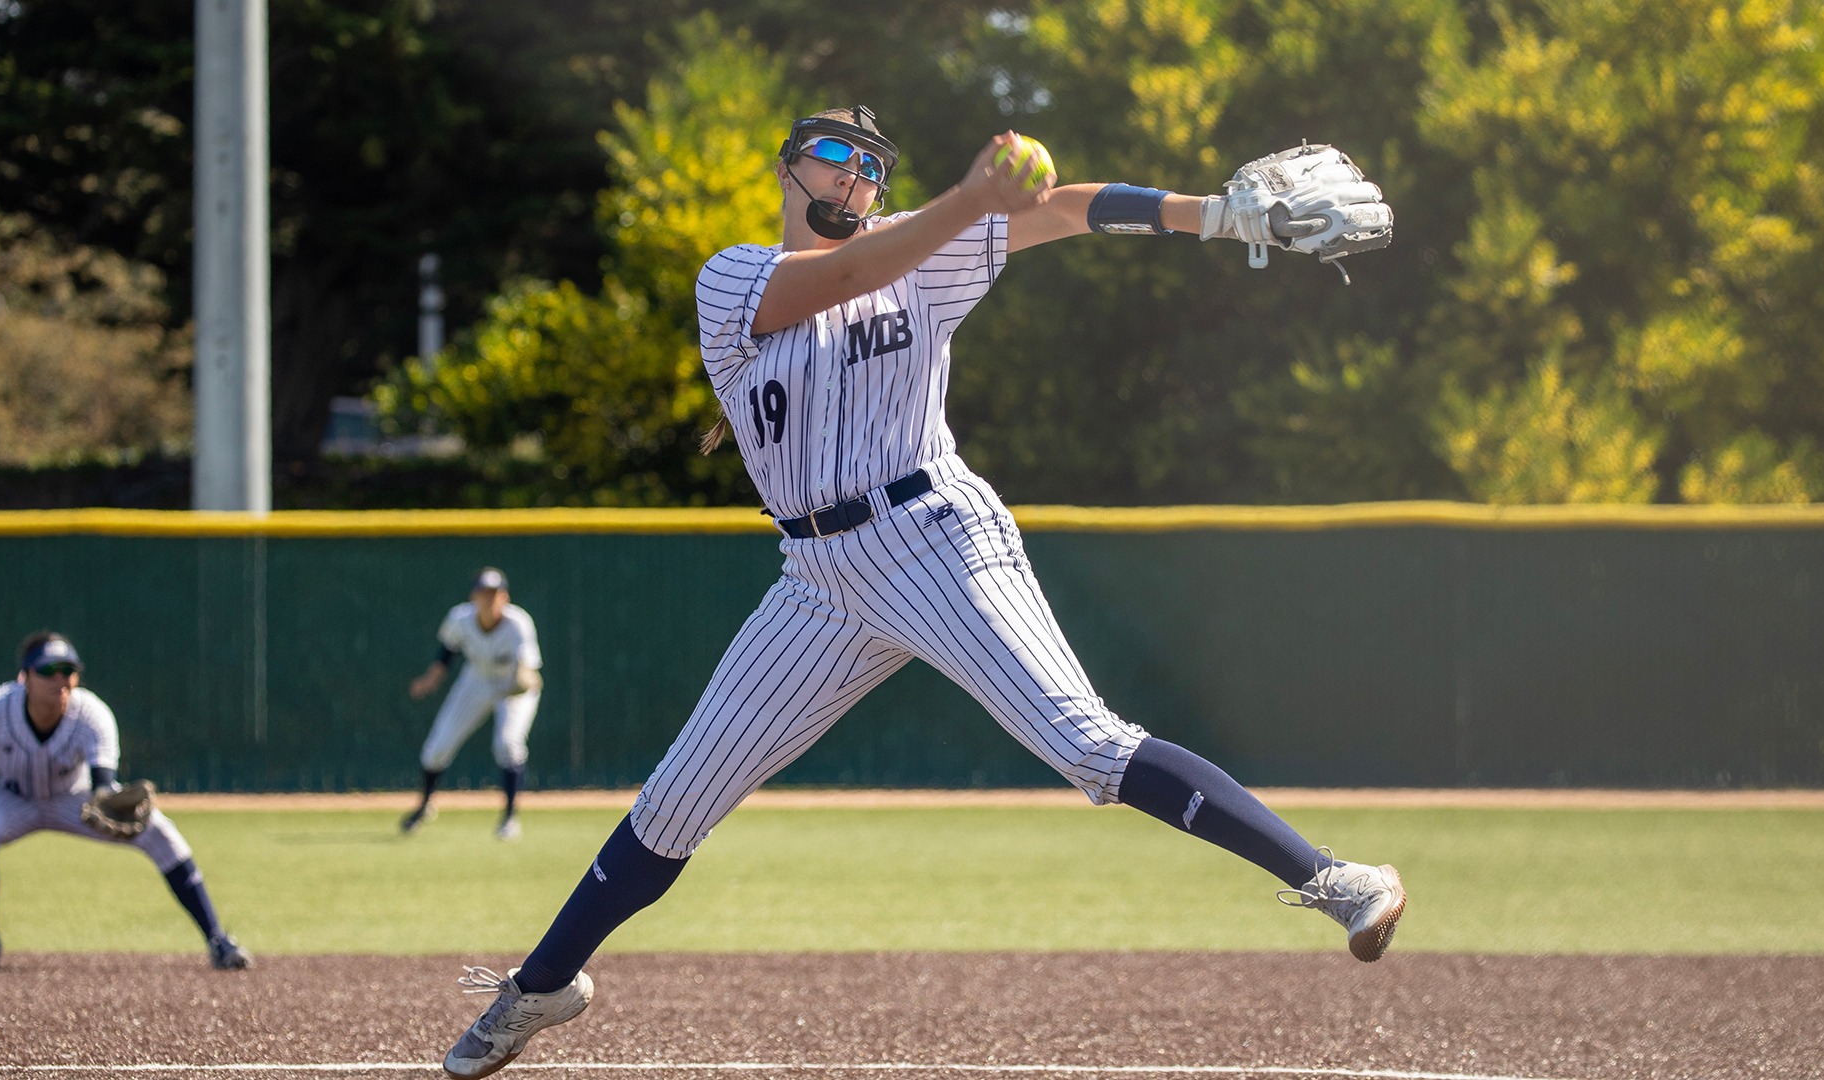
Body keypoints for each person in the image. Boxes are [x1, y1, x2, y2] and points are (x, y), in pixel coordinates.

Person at [438, 107, 1404, 1079]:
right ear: (788, 168)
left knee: (1087, 747)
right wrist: (974, 198)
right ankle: (541, 989)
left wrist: (1212, 214)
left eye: (871, 168)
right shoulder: (732, 278)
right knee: (677, 800)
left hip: (934, 537)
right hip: (815, 581)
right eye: (831, 156)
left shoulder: (926, 257)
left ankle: (1335, 879)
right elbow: (844, 278)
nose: (852, 176)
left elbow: (1064, 210)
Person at [0, 632, 253, 972]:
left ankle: (218, 939)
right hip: (6, 796)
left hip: (75, 797)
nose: (60, 679)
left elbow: (102, 783)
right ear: (25, 676)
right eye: (49, 670)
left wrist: (105, 799)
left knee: (159, 832)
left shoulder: (90, 713)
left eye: (68, 670)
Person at [403, 567, 544, 841]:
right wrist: (430, 680)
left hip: (511, 688)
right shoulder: (460, 618)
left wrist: (527, 678)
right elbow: (448, 651)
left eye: (494, 594)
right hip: (476, 680)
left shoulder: (518, 623)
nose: (489, 599)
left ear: (504, 597)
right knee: (437, 748)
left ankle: (509, 819)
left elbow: (528, 672)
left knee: (508, 744)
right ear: (474, 596)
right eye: (483, 593)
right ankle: (424, 806)